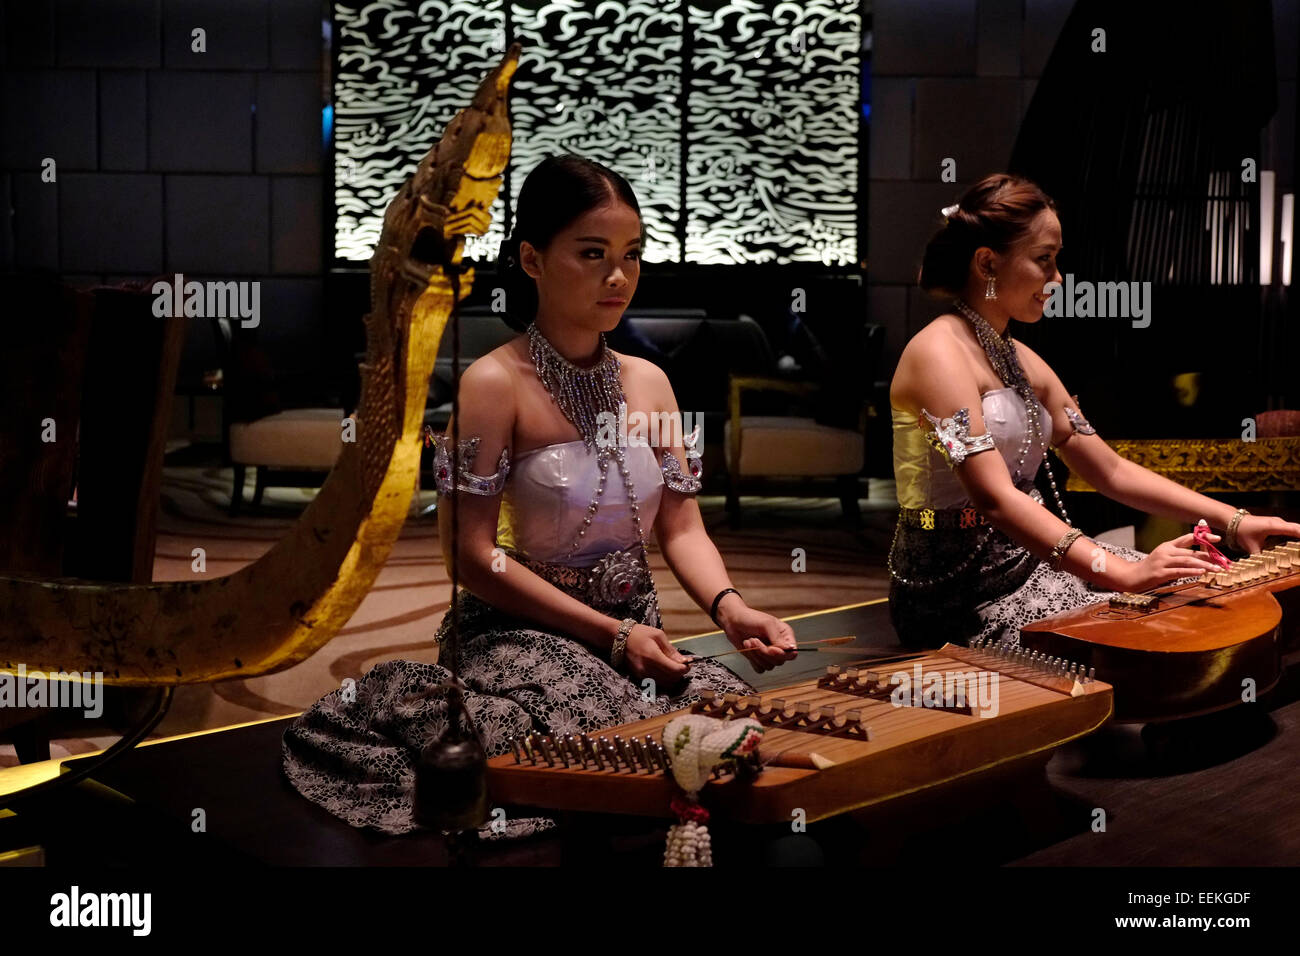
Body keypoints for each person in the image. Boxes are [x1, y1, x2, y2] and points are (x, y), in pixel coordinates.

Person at [283, 155, 796, 836]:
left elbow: (681, 527)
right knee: (623, 738)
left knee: (731, 720)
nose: (619, 276)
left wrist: (731, 609)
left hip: (633, 632)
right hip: (516, 630)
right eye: (592, 254)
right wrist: (612, 636)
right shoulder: (493, 385)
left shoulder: (652, 383)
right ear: (531, 259)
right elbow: (470, 557)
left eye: (631, 255)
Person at [887, 173, 1300, 648]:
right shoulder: (938, 353)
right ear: (987, 263)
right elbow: (995, 499)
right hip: (957, 592)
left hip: (1030, 560)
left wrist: (1235, 521)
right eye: (1044, 260)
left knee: (1197, 597)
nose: (1057, 278)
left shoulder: (1020, 360)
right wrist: (1121, 571)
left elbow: (1110, 470)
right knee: (1155, 635)